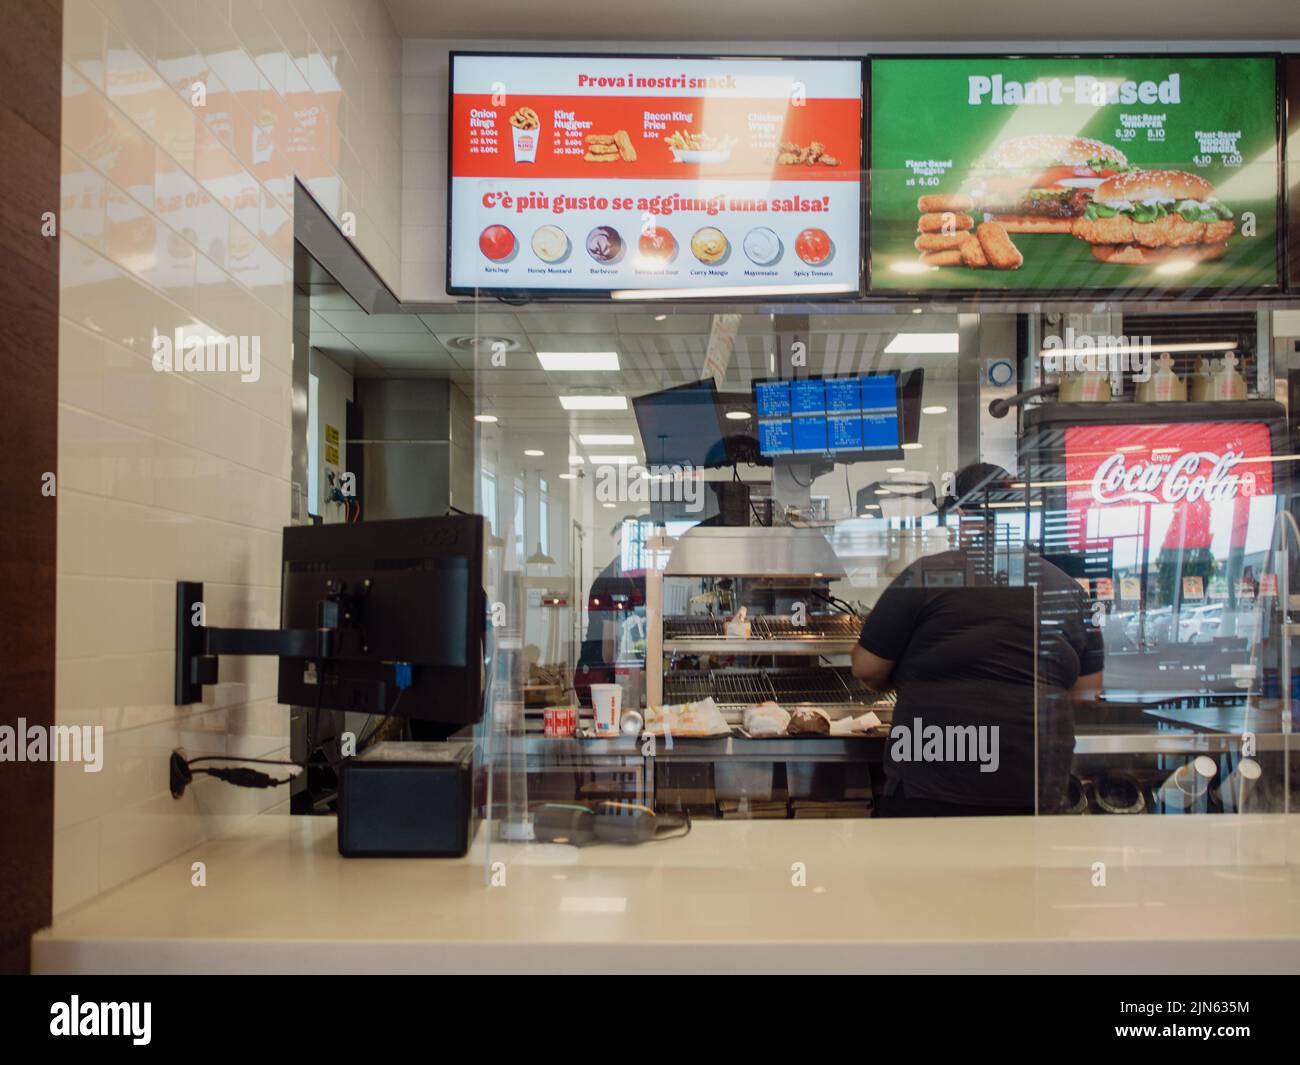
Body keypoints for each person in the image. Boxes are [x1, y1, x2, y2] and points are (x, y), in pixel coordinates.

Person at [851, 463, 1103, 816]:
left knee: (919, 870)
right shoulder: (1067, 588)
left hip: (934, 778)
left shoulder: (926, 575)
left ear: (963, 516)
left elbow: (866, 667)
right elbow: (1088, 690)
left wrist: (914, 679)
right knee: (1019, 872)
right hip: (1033, 783)